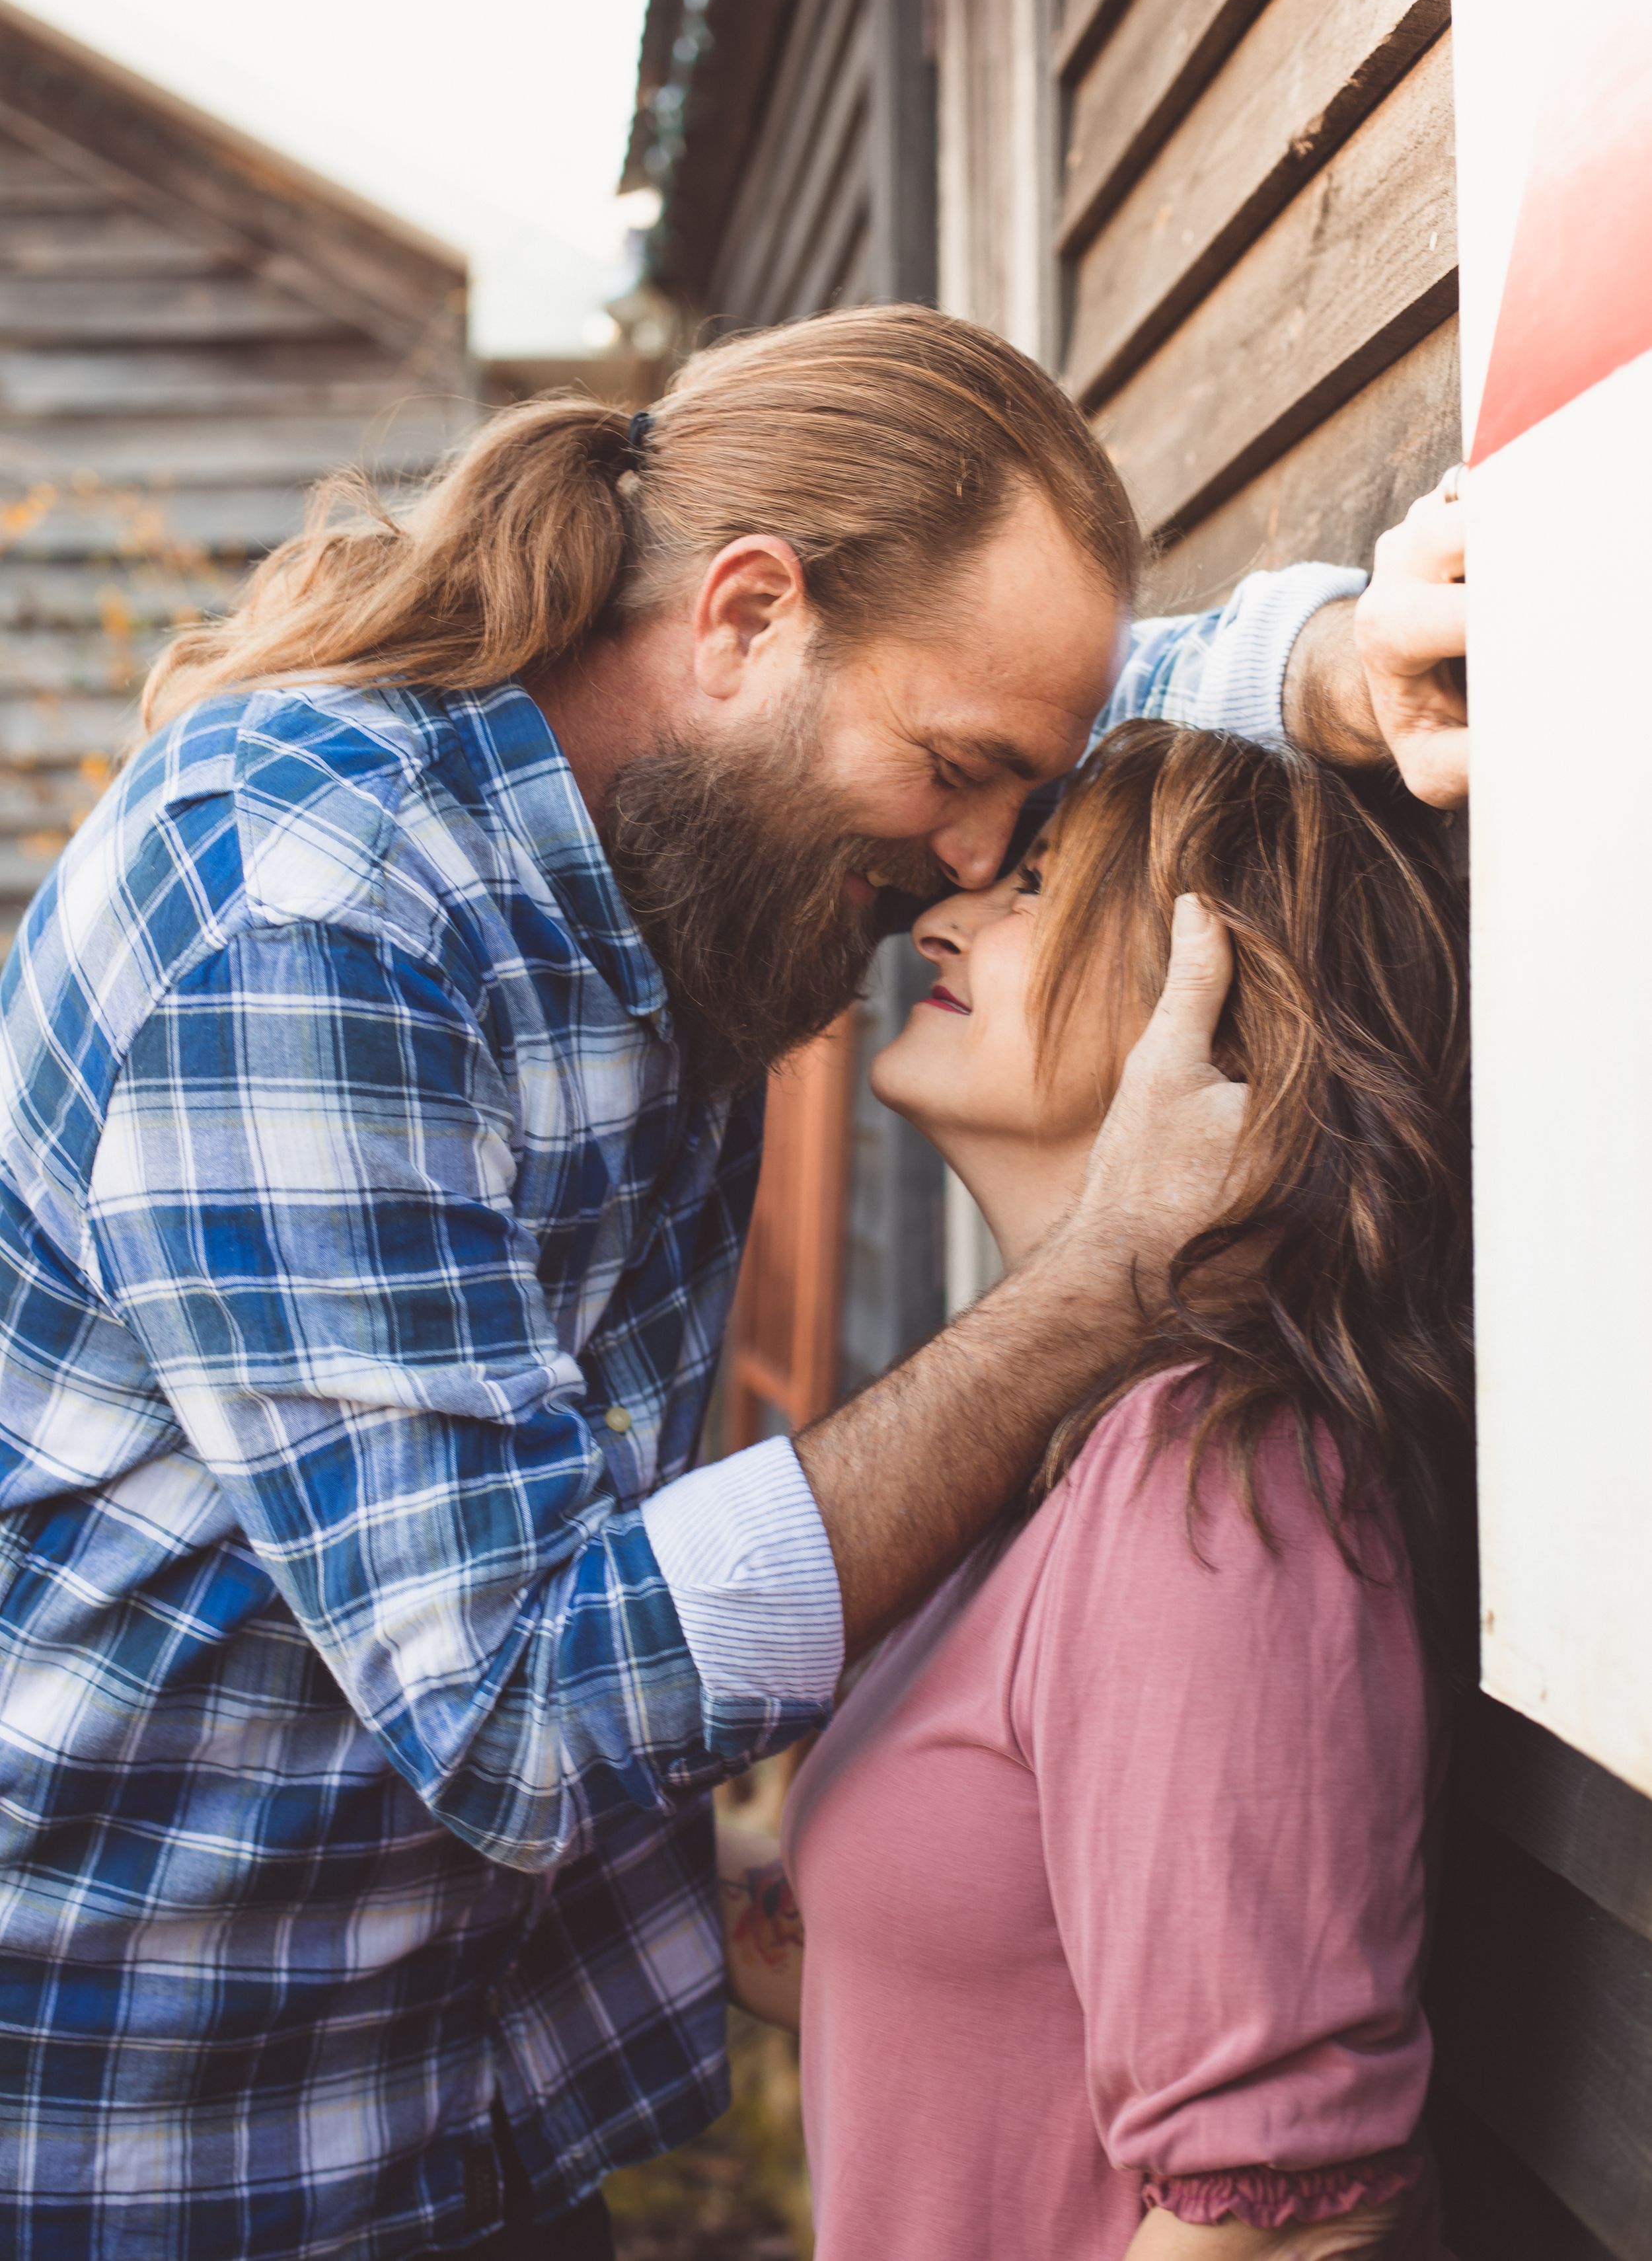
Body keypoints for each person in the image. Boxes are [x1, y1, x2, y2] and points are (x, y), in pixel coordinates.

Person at [0, 304, 1466, 2259]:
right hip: (178, 2139)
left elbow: (1049, 710)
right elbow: (524, 1697)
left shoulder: (695, 808)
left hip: (468, 2098)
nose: (968, 859)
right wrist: (1097, 1285)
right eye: (963, 783)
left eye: (1026, 834)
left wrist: (1323, 662)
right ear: (743, 615)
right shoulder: (312, 918)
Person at [722, 719, 1473, 2260]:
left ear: (1212, 1013)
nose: (937, 918)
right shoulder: (1056, 1457)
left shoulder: (1215, 1484)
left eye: (1039, 885)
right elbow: (1010, 1990)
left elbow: (1277, 2217)